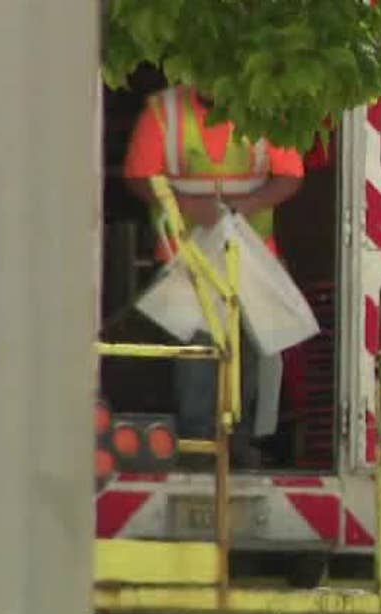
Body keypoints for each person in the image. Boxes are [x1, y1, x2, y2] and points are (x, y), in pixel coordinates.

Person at [123, 83, 310, 467]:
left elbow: (290, 174)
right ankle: (200, 449)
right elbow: (138, 175)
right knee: (197, 356)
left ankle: (235, 446)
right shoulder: (166, 111)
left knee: (248, 358)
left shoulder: (261, 105)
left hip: (250, 260)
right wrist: (186, 205)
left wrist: (242, 206)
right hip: (186, 260)